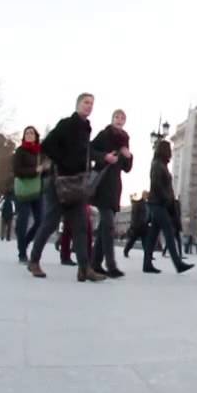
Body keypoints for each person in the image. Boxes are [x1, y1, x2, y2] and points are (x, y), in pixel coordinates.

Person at [26, 93, 117, 282]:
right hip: (59, 182)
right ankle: (34, 260)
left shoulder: (86, 128)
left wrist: (100, 159)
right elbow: (47, 145)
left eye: (91, 104)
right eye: (85, 102)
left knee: (81, 225)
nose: (89, 106)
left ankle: (85, 268)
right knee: (50, 222)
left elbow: (85, 152)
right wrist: (63, 163)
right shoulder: (67, 124)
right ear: (77, 105)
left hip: (76, 184)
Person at [90, 109, 133, 278]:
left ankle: (94, 263)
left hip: (115, 184)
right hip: (102, 182)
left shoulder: (125, 139)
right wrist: (104, 156)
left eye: (122, 118)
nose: (119, 120)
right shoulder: (104, 134)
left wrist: (129, 156)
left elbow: (127, 168)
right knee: (108, 224)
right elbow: (90, 151)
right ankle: (111, 264)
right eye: (117, 117)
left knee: (104, 227)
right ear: (112, 119)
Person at [142, 140, 194, 275]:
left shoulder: (160, 164)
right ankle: (178, 264)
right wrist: (167, 199)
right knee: (169, 232)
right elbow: (157, 185)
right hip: (158, 204)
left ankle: (147, 264)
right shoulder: (158, 165)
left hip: (158, 203)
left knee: (153, 234)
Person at [12, 126, 45, 264]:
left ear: (36, 136)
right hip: (23, 191)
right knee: (23, 221)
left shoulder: (40, 153)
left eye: (31, 133)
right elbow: (17, 171)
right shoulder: (20, 151)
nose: (29, 135)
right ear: (24, 136)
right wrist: (35, 170)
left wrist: (45, 169)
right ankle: (22, 253)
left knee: (40, 220)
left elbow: (43, 171)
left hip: (37, 190)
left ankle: (24, 243)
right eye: (27, 133)